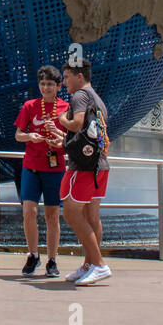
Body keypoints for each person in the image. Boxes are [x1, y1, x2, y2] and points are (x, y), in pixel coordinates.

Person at [56, 58, 111, 286]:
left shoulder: (79, 95)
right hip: (100, 164)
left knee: (70, 212)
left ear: (80, 76)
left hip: (84, 167)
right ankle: (89, 265)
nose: (64, 82)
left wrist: (61, 119)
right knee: (91, 215)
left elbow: (77, 124)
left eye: (67, 77)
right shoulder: (98, 99)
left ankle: (99, 264)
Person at [13, 64, 67, 277]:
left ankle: (52, 260)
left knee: (52, 216)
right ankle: (33, 255)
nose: (46, 88)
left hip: (55, 168)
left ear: (59, 86)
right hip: (31, 166)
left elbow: (72, 139)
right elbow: (18, 134)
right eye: (43, 84)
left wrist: (59, 140)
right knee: (29, 212)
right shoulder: (29, 106)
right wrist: (30, 137)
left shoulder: (66, 108)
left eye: (50, 85)